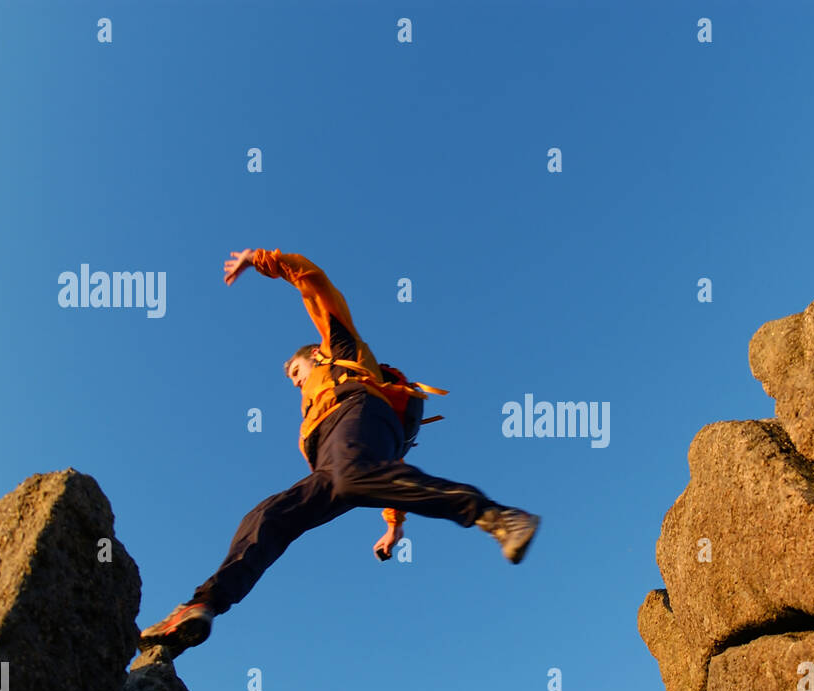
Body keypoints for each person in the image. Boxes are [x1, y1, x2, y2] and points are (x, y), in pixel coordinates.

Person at [138, 248, 540, 657]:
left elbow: (314, 282)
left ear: (313, 356)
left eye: (295, 374)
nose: (296, 385)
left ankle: (498, 516)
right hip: (337, 460)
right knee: (268, 517)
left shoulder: (339, 348)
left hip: (356, 411)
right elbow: (389, 470)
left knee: (351, 477)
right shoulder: (317, 411)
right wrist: (393, 525)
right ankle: (202, 605)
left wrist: (261, 260)